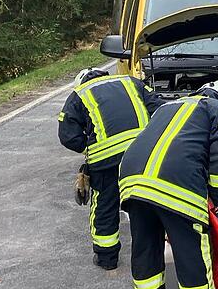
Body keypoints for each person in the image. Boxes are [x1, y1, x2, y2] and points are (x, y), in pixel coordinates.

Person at [119, 81, 218, 289]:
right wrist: (216, 196)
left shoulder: (168, 107)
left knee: (145, 248)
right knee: (192, 251)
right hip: (176, 183)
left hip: (132, 179)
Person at [58, 68, 164, 270]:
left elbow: (68, 135)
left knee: (105, 205)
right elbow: (158, 108)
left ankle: (107, 259)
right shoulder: (131, 82)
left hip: (106, 161)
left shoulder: (80, 94)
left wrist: (88, 146)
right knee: (149, 199)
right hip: (142, 153)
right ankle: (157, 250)